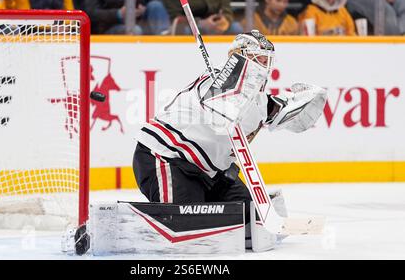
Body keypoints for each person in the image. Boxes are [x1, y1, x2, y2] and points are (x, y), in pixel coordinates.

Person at [132, 30, 327, 251]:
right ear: (239, 57)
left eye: (267, 60)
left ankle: (200, 212)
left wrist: (308, 99)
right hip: (167, 159)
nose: (263, 65)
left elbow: (289, 114)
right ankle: (141, 228)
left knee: (251, 219)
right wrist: (230, 99)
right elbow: (217, 108)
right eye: (257, 58)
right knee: (187, 233)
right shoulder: (211, 82)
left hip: (212, 174)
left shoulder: (260, 103)